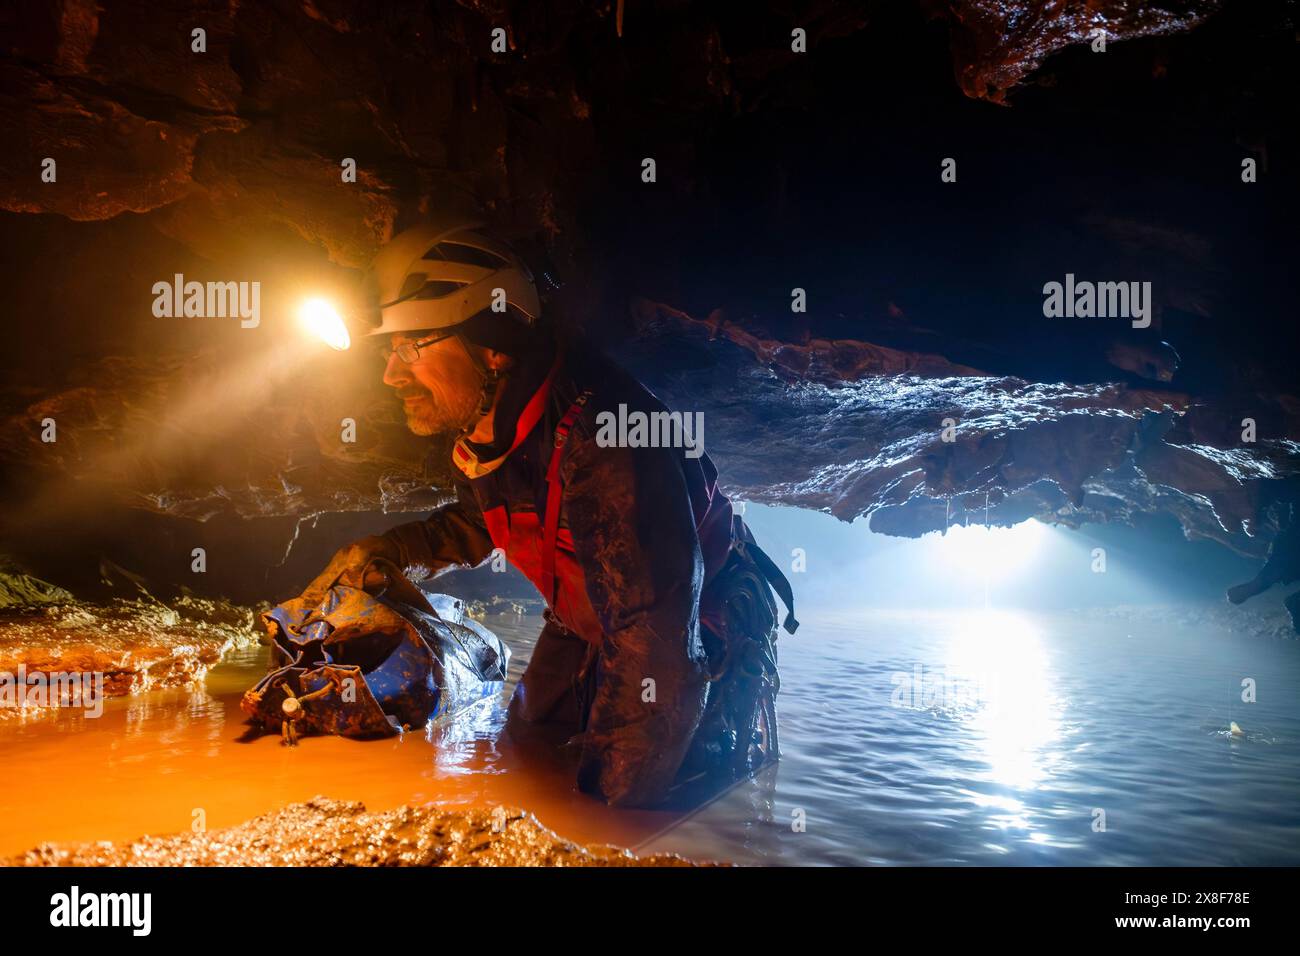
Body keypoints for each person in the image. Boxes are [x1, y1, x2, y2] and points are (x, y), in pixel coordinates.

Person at [283, 218, 797, 807]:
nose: (390, 373)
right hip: (585, 616)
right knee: (524, 753)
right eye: (387, 349)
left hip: (701, 637)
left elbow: (657, 651)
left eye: (409, 347)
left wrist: (603, 829)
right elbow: (502, 517)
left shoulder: (607, 439)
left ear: (492, 346)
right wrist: (395, 551)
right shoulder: (502, 422)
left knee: (658, 793)